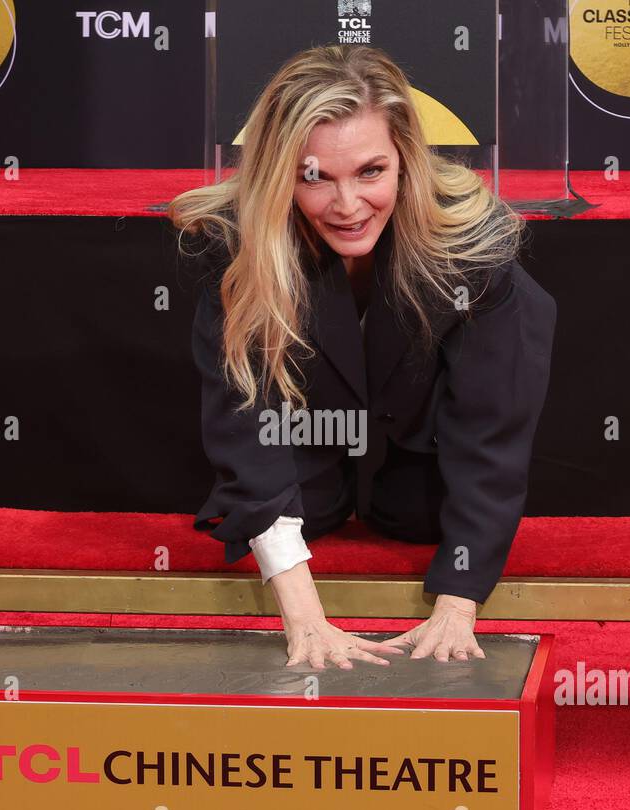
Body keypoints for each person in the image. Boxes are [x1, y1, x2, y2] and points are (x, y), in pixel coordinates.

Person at [169, 44, 555, 671]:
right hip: (306, 426)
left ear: (406, 159)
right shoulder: (236, 243)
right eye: (315, 177)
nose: (348, 206)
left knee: (416, 517)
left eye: (371, 172)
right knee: (305, 513)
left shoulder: (473, 245)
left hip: (421, 439)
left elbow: (492, 431)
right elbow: (244, 419)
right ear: (279, 176)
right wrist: (305, 616)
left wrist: (458, 606)